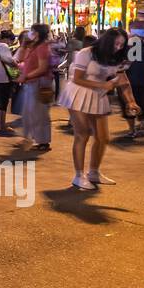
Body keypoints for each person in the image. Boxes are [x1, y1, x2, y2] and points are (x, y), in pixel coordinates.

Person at [58, 27, 130, 190]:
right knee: (82, 134)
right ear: (106, 41)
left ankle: (94, 172)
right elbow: (77, 79)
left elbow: (124, 81)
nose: (118, 47)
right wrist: (103, 84)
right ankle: (78, 175)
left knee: (103, 137)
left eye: (121, 45)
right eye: (116, 43)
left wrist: (131, 102)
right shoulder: (87, 52)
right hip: (79, 93)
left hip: (98, 95)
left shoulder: (117, 57)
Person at [14, 23, 54, 151]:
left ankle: (43, 141)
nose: (29, 33)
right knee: (29, 113)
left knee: (39, 114)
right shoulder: (33, 47)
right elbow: (19, 59)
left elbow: (42, 68)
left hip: (39, 84)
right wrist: (23, 46)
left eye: (32, 31)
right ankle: (30, 138)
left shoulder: (43, 47)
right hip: (30, 83)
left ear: (37, 33)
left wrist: (26, 76)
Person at [0, 30, 19, 137]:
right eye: (11, 41)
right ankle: (2, 125)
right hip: (4, 77)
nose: (10, 43)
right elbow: (10, 61)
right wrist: (17, 64)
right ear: (7, 39)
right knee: (4, 103)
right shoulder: (4, 46)